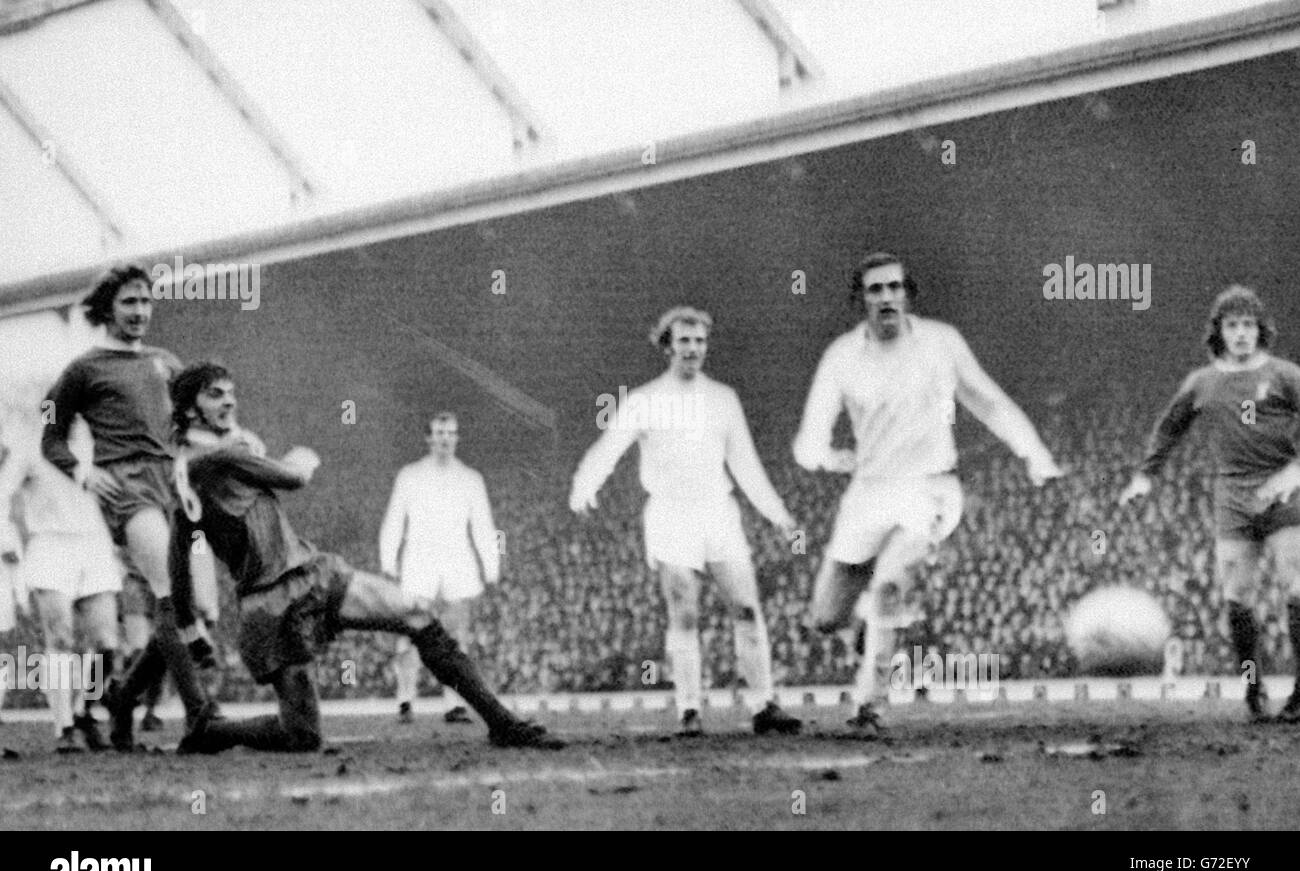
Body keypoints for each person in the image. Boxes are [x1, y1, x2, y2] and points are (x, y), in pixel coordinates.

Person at [163, 363, 561, 753]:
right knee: (302, 737)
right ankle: (213, 732)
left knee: (416, 614)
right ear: (189, 408)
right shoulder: (223, 456)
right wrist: (305, 455)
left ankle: (503, 723)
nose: (230, 402)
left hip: (311, 574)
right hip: (273, 607)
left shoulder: (184, 472)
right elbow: (296, 476)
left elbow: (178, 554)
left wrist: (187, 625)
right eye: (216, 394)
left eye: (231, 393)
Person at [793, 251, 1062, 735]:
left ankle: (867, 705)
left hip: (931, 487)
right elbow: (807, 440)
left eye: (895, 287)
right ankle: (859, 620)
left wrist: (1034, 453)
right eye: (875, 290)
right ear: (861, 300)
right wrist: (830, 457)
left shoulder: (941, 342)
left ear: (908, 293)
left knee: (890, 585)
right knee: (823, 617)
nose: (887, 297)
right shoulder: (841, 356)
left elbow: (990, 402)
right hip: (869, 492)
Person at [570, 306, 803, 736]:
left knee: (747, 609)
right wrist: (585, 484)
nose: (692, 349)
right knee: (685, 614)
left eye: (699, 341)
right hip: (670, 515)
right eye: (683, 341)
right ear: (668, 347)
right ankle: (690, 709)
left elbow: (745, 463)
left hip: (717, 511)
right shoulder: (644, 400)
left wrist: (776, 512)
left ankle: (764, 704)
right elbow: (610, 446)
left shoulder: (723, 399)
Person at [40, 265, 213, 749]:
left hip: (171, 483)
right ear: (107, 309)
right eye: (129, 303)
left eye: (145, 302)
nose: (140, 312)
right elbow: (50, 436)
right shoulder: (83, 369)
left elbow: (188, 424)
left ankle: (121, 695)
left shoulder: (165, 362)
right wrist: (83, 472)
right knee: (168, 594)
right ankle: (201, 716)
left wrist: (226, 442)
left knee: (191, 606)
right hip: (128, 485)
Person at [1121, 284, 1300, 722]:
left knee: (1296, 589)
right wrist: (1146, 475)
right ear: (1218, 331)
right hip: (1233, 499)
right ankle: (1253, 688)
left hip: (1284, 495)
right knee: (1237, 599)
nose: (1241, 333)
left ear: (1261, 329)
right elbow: (1169, 428)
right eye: (1232, 325)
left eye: (1248, 325)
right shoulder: (1202, 383)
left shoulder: (1284, 375)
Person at [0, 412, 120, 752]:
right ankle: (64, 728)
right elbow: (2, 493)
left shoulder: (99, 440)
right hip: (50, 545)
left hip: (95, 546)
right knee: (61, 638)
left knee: (107, 643)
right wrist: (7, 543)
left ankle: (83, 709)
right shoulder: (30, 444)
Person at [379, 412, 499, 725]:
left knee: (457, 638)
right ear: (429, 438)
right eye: (439, 433)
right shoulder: (410, 475)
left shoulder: (471, 478)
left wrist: (491, 564)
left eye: (450, 433)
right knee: (409, 635)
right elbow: (394, 518)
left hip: (456, 561)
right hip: (420, 561)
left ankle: (455, 703)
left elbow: (484, 525)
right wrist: (388, 559)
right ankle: (405, 699)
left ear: (457, 438)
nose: (445, 438)